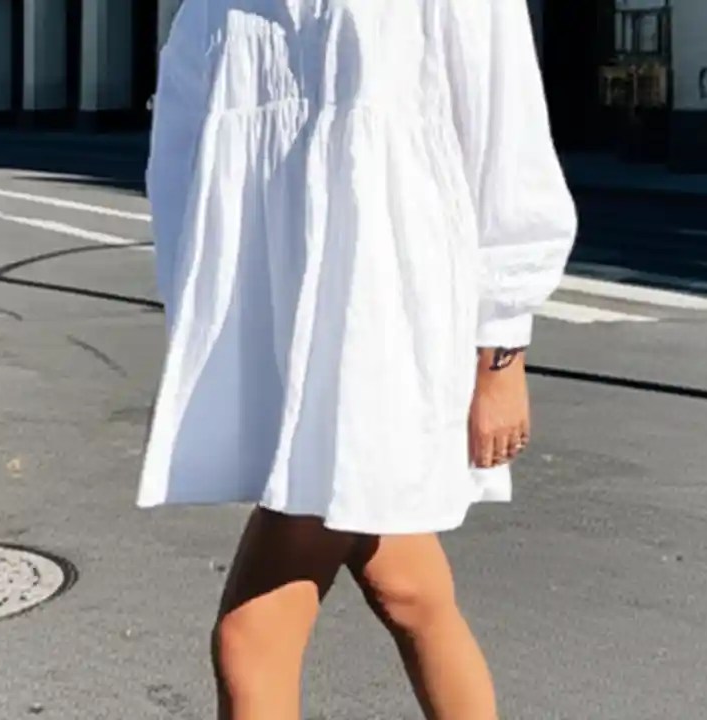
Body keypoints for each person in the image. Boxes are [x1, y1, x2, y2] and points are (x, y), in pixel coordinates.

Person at [138, 1, 577, 717]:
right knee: (411, 595)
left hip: (381, 339)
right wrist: (199, 356)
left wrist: (501, 353)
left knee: (249, 639)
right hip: (283, 350)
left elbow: (507, 143)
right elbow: (184, 170)